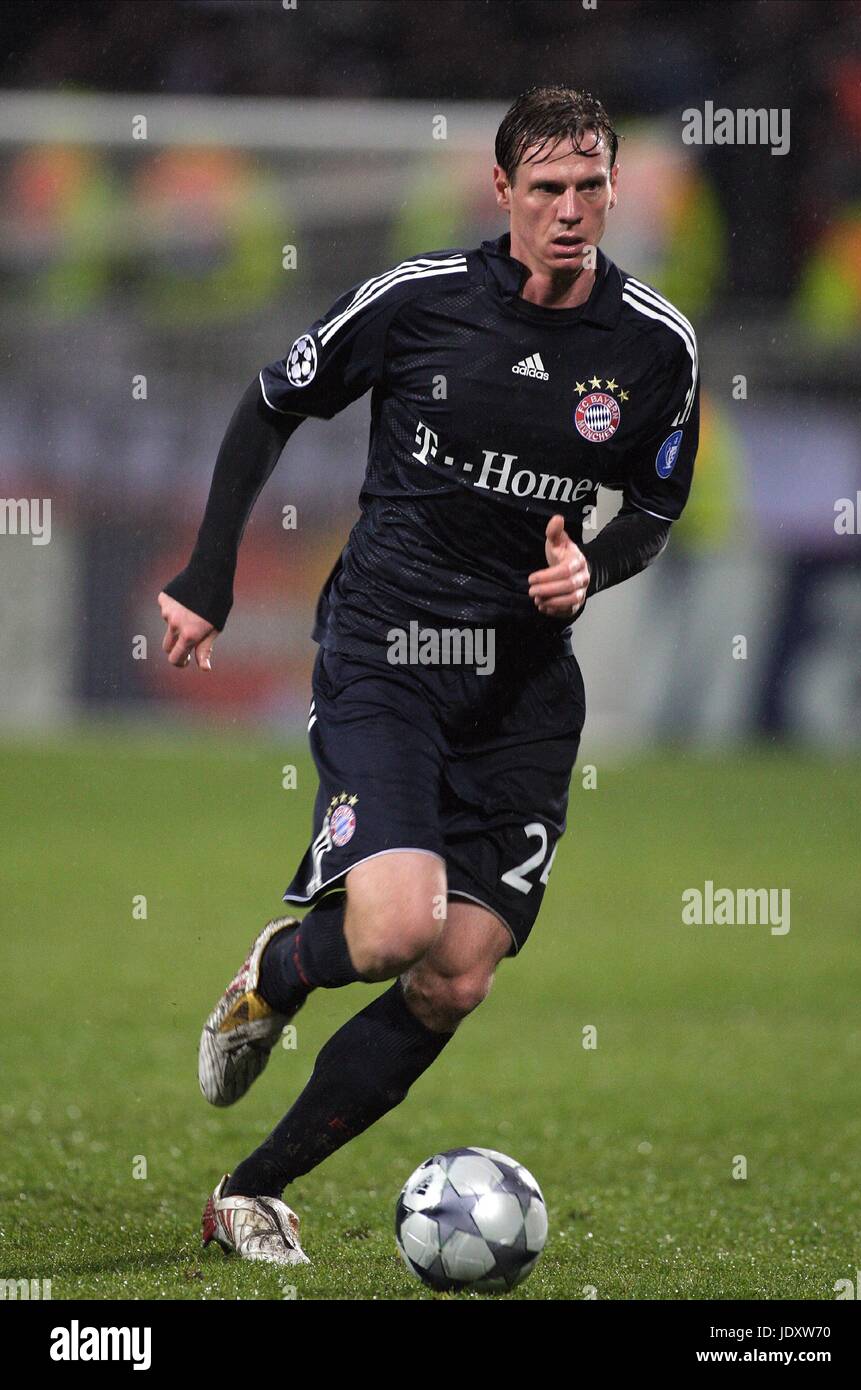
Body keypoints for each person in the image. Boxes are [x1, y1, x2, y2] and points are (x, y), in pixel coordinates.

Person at [158, 85, 699, 1266]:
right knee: (398, 926)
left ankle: (249, 1192)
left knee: (456, 976)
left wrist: (589, 571)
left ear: (613, 188)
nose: (569, 210)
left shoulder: (654, 346)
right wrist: (207, 577)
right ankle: (280, 965)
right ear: (500, 191)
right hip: (388, 653)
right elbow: (269, 402)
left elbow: (656, 503)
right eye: (544, 188)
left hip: (521, 692)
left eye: (590, 185)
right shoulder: (419, 303)